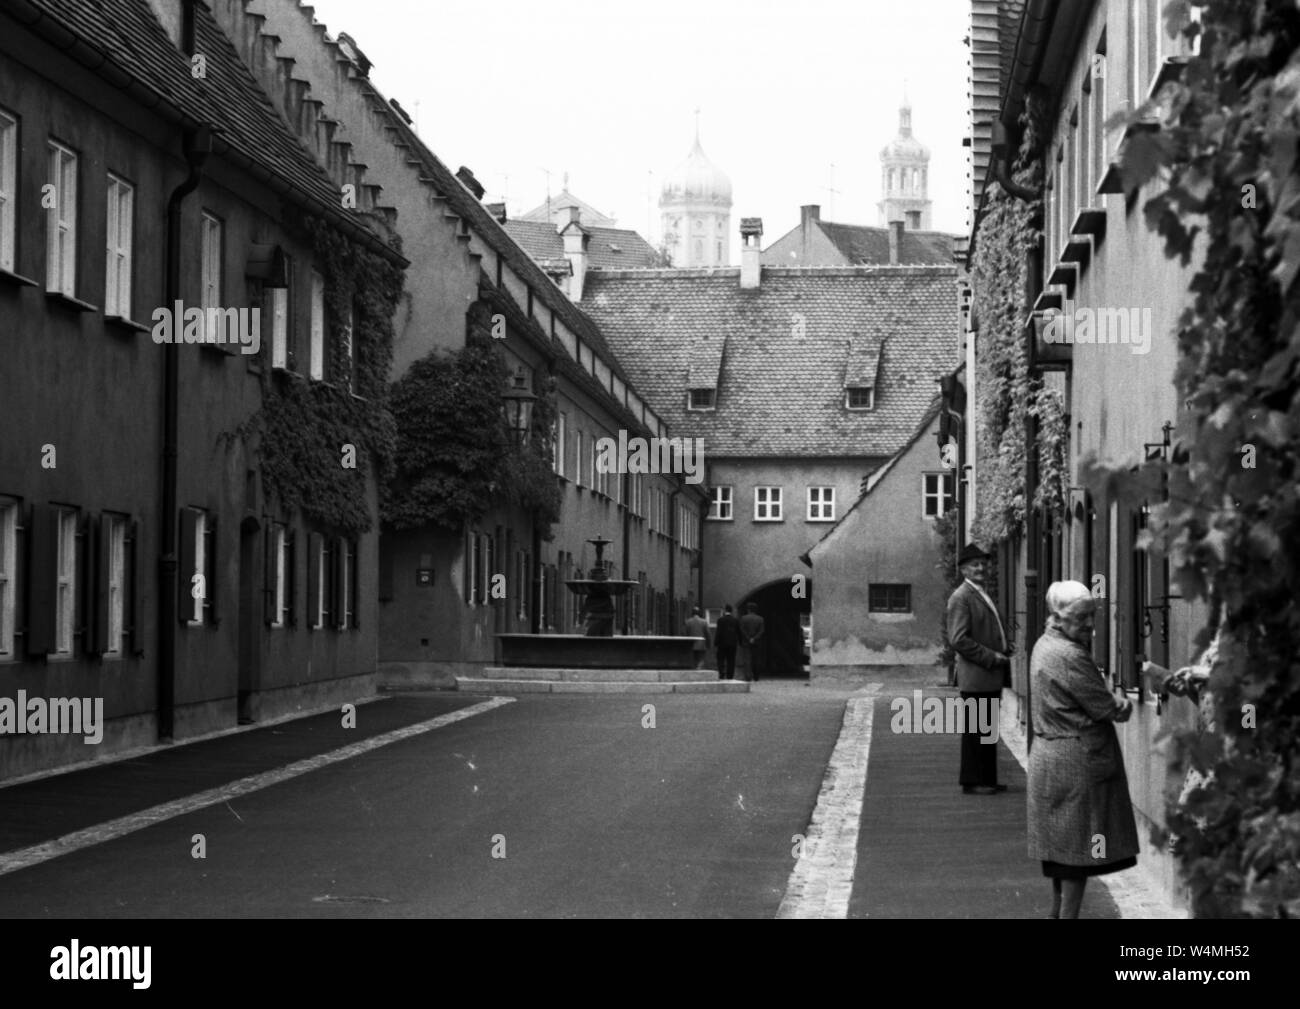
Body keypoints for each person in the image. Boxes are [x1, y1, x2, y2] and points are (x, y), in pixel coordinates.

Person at [1028, 580, 1138, 919]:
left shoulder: (1045, 644)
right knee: (1078, 853)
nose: (1090, 624)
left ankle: (1058, 913)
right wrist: (1121, 704)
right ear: (1059, 616)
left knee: (1060, 849)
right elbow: (1105, 707)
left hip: (1051, 756)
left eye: (1092, 615)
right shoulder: (1071, 655)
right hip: (1076, 761)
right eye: (1081, 617)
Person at [946, 543, 1013, 794]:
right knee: (976, 732)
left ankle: (987, 778)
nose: (981, 568)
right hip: (977, 675)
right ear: (964, 569)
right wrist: (991, 656)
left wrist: (1004, 646)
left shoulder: (980, 593)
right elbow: (958, 639)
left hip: (988, 675)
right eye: (975, 565)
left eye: (983, 564)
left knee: (987, 730)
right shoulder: (961, 597)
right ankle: (973, 781)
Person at [738, 602, 765, 683]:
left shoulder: (743, 618)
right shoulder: (760, 619)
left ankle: (748, 676)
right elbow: (761, 631)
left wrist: (748, 638)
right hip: (757, 642)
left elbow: (742, 630)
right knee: (756, 659)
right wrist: (754, 638)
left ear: (748, 609)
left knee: (747, 659)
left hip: (746, 642)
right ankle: (756, 676)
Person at [714, 605, 740, 680]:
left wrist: (716, 642)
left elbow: (718, 632)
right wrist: (740, 642)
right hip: (732, 644)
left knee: (721, 659)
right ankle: (730, 675)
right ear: (731, 611)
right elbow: (738, 632)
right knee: (731, 660)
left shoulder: (720, 620)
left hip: (722, 643)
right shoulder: (735, 620)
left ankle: (721, 674)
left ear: (725, 610)